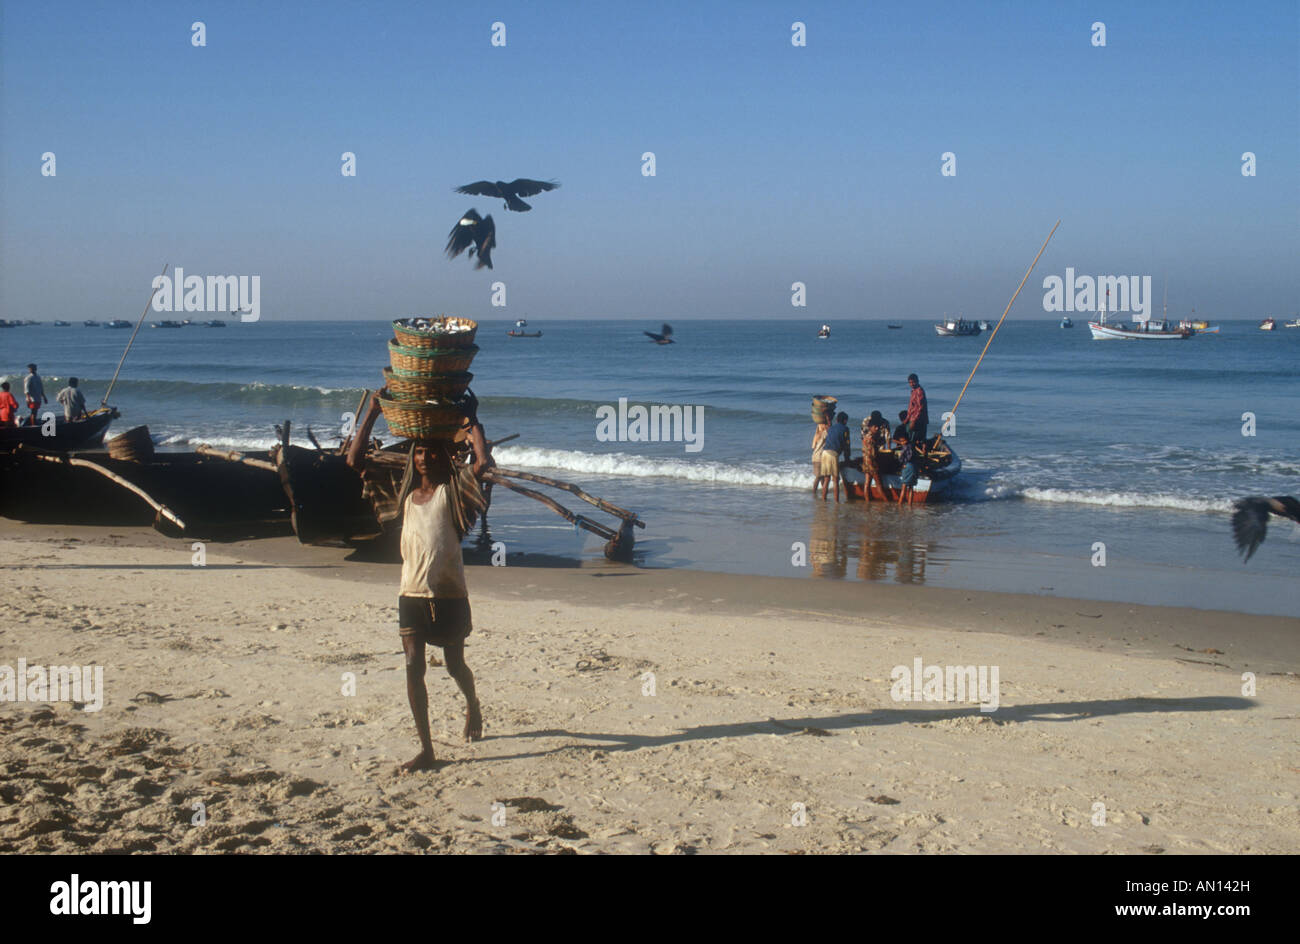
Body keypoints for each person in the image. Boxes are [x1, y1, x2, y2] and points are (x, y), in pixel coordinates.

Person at [347, 390, 487, 772]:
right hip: (410, 593)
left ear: (443, 457)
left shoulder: (452, 494)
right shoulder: (404, 497)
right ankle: (427, 749)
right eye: (419, 452)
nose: (423, 457)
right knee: (413, 665)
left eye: (430, 452)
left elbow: (482, 463)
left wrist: (472, 420)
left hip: (448, 595)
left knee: (456, 664)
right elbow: (354, 460)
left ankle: (473, 704)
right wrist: (373, 412)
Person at [892, 423, 919, 504]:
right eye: (901, 441)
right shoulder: (912, 446)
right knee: (911, 488)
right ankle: (910, 504)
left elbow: (903, 458)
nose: (902, 442)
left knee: (904, 487)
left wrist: (902, 463)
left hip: (907, 467)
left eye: (903, 441)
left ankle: (900, 503)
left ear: (906, 439)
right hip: (914, 467)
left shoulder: (905, 448)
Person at [903, 373, 928, 448]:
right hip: (913, 417)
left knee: (918, 438)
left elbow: (921, 407)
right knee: (910, 435)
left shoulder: (919, 391)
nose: (912, 384)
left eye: (913, 382)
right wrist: (907, 418)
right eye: (910, 382)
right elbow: (911, 407)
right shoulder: (913, 391)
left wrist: (914, 420)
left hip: (919, 419)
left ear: (917, 381)